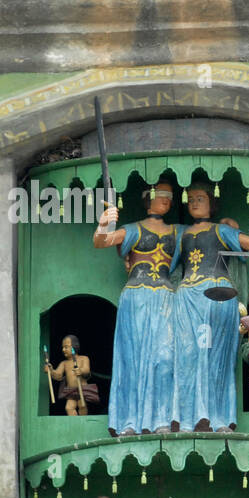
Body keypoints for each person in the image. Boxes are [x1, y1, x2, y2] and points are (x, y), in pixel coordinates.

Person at [172, 181, 249, 432]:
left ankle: (219, 418)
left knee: (217, 357)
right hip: (187, 298)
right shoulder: (181, 233)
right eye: (190, 198)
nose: (194, 202)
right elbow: (166, 267)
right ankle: (188, 418)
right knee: (188, 357)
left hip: (217, 295)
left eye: (200, 198)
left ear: (211, 203)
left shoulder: (220, 231)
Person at [95, 181, 179, 436]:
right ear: (147, 198)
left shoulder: (178, 231)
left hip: (165, 298)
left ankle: (162, 419)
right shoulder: (133, 229)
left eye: (169, 195)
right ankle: (129, 421)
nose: (165, 199)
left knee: (165, 360)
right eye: (159, 194)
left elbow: (205, 235)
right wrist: (103, 223)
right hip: (136, 297)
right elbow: (102, 242)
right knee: (132, 360)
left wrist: (229, 224)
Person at [44, 334, 99, 415]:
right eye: (62, 347)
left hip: (82, 388)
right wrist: (51, 370)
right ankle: (75, 424)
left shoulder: (84, 358)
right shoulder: (64, 363)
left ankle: (83, 423)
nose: (63, 349)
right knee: (68, 408)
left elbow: (87, 370)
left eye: (66, 347)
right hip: (71, 391)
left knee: (82, 406)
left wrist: (81, 370)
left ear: (74, 346)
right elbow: (58, 376)